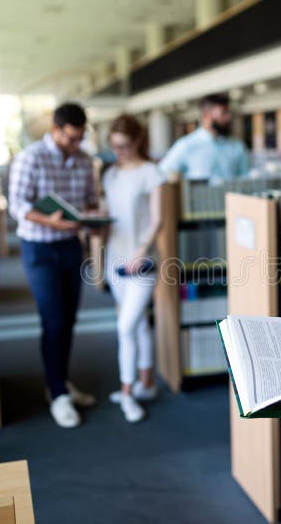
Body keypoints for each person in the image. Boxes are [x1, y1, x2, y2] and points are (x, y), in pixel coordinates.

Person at [8, 102, 97, 429]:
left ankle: (60, 382)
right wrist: (51, 221)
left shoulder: (84, 160)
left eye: (80, 138)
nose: (76, 144)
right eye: (71, 138)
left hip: (71, 246)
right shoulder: (31, 157)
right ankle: (58, 393)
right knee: (54, 319)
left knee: (68, 319)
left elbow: (89, 200)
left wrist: (93, 218)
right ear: (55, 130)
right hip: (38, 247)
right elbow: (17, 205)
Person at [101, 114, 164, 423]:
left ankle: (127, 393)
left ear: (138, 140)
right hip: (114, 258)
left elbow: (157, 219)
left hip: (143, 261)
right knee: (137, 325)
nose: (119, 152)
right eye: (114, 146)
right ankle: (146, 384)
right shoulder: (110, 174)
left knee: (125, 327)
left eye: (124, 146)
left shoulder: (151, 172)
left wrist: (141, 250)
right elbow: (109, 214)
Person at [158, 93, 248, 179]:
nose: (229, 117)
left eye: (229, 113)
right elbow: (162, 173)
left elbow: (246, 178)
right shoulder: (186, 145)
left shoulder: (237, 146)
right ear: (206, 115)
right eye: (223, 113)